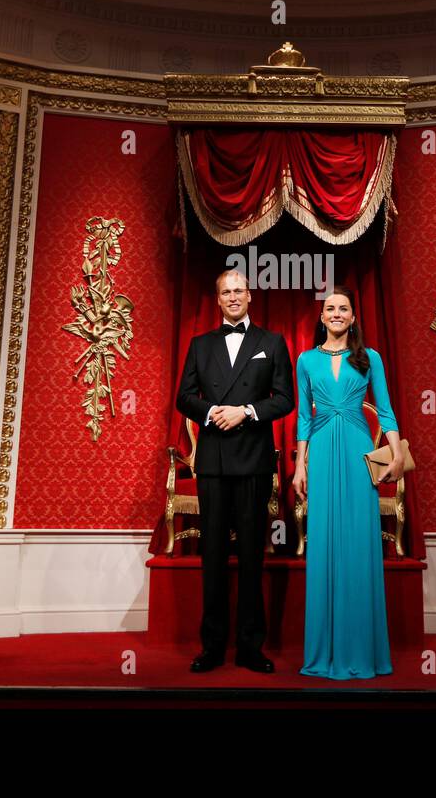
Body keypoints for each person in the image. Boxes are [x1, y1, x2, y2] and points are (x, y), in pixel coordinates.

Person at [175, 269, 294, 673]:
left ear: (250, 295)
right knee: (212, 556)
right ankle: (211, 645)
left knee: (250, 555)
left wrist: (245, 411)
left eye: (238, 290)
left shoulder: (272, 342)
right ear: (217, 298)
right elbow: (184, 397)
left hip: (254, 460)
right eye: (225, 291)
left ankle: (249, 646)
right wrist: (211, 412)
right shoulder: (200, 344)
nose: (232, 297)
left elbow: (285, 400)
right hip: (213, 462)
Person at [293, 285, 404, 680]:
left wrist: (398, 454)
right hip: (321, 452)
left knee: (359, 542)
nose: (336, 313)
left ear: (353, 317)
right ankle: (325, 652)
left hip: (358, 451)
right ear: (321, 318)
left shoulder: (370, 358)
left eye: (343, 308)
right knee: (324, 543)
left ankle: (363, 650)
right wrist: (300, 465)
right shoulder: (305, 361)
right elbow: (304, 417)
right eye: (330, 308)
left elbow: (387, 412)